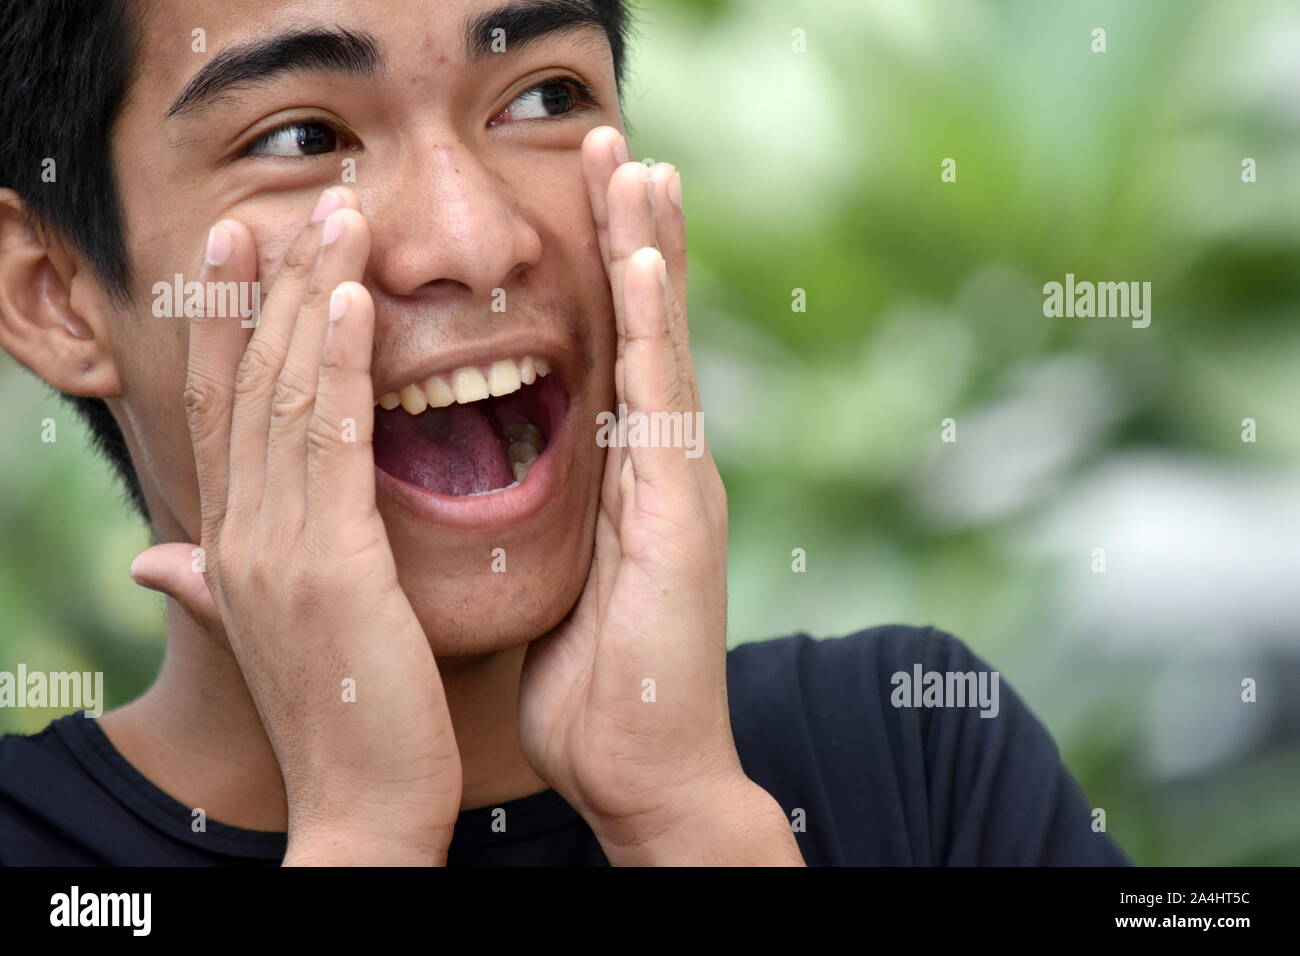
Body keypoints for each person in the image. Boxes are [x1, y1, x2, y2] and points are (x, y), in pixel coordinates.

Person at [0, 0, 1129, 866]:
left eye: (542, 98)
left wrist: (681, 813)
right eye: (301, 134)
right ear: (53, 293)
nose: (473, 238)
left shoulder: (909, 759)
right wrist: (368, 828)